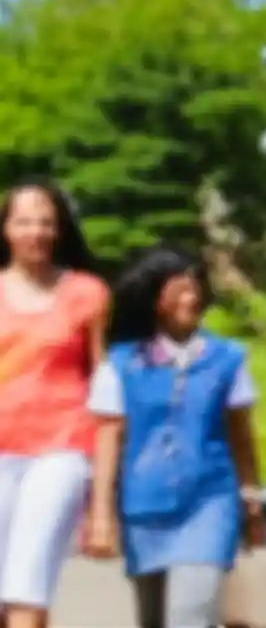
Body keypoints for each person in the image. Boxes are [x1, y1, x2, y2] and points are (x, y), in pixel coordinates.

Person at [86, 245, 266, 628]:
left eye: (196, 287)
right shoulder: (121, 364)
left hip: (209, 501)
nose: (192, 298)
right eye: (180, 289)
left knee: (191, 616)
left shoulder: (227, 359)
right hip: (143, 507)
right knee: (153, 619)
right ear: (155, 298)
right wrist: (101, 513)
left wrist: (251, 495)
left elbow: (241, 434)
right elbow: (108, 437)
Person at [0, 179, 109, 628]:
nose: (36, 232)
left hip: (62, 448)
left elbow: (103, 384)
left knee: (28, 577)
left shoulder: (87, 292)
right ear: (6, 228)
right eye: (24, 222)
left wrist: (103, 492)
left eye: (46, 222)